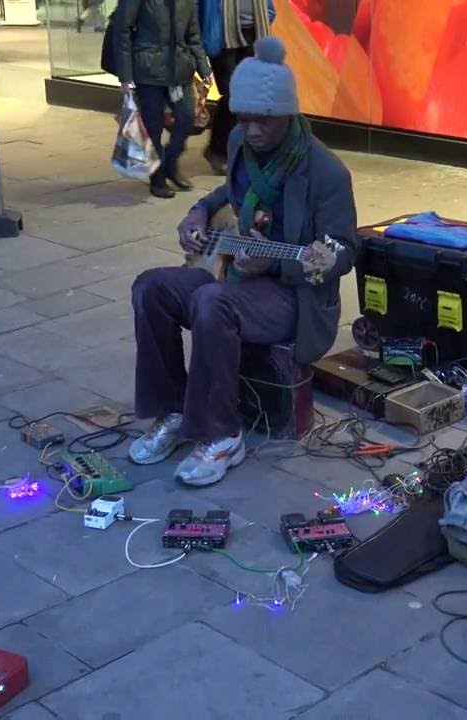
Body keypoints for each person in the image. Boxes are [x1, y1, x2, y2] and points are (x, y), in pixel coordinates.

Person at [128, 36, 356, 486]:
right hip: (235, 278)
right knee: (151, 288)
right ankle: (174, 411)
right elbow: (225, 195)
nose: (252, 130)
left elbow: (343, 252)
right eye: (245, 118)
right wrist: (197, 213)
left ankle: (222, 435)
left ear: (287, 115)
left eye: (263, 121)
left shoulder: (326, 173)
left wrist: (275, 264)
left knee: (214, 302)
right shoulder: (238, 144)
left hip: (294, 297)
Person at [115, 0, 212, 198]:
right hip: (147, 68)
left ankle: (170, 161)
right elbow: (122, 31)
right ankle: (157, 176)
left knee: (186, 117)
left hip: (179, 68)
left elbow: (193, 35)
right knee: (153, 126)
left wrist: (204, 67)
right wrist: (126, 76)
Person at [203, 0, 275, 174]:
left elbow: (270, 8)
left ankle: (232, 150)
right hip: (224, 36)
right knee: (231, 95)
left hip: (253, 35)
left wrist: (265, 19)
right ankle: (216, 150)